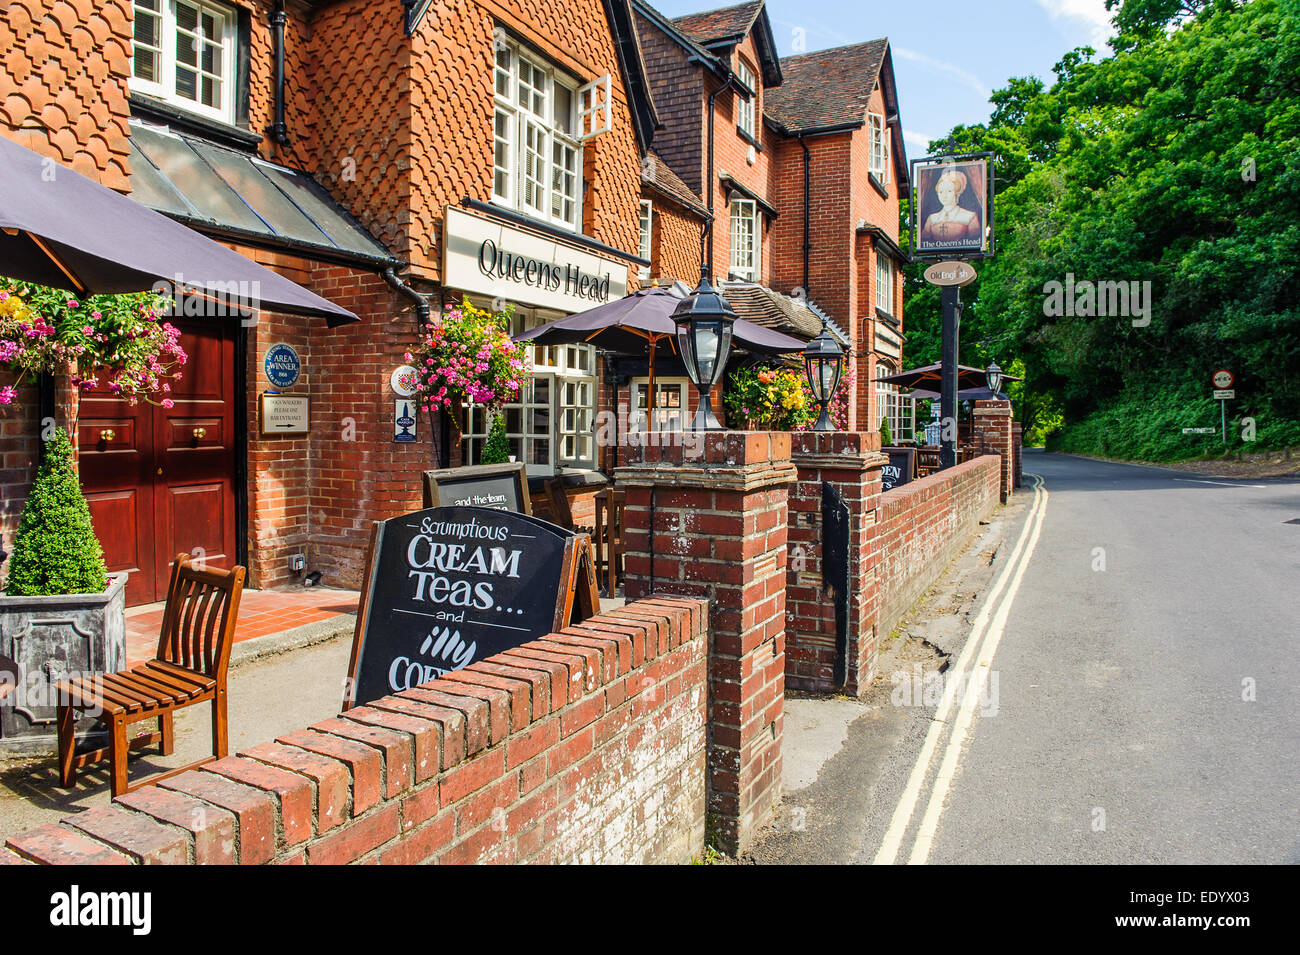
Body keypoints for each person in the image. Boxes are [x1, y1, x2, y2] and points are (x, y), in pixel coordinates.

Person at [921, 167, 982, 246]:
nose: (944, 196)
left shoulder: (970, 216)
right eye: (940, 192)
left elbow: (975, 241)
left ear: (957, 192)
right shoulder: (932, 218)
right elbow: (924, 242)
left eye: (949, 191)